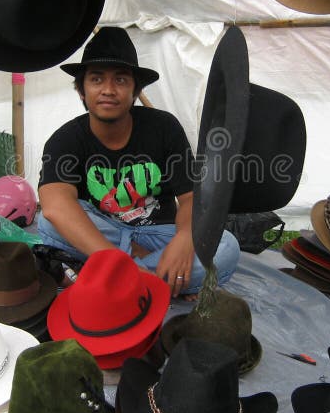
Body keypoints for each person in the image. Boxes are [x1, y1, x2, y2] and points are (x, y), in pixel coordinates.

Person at [37, 27, 240, 297]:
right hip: (104, 235)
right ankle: (148, 278)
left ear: (135, 90)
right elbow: (55, 205)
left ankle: (106, 280)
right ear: (81, 90)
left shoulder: (164, 127)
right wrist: (119, 261)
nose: (108, 90)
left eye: (120, 80)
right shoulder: (65, 140)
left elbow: (192, 198)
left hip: (157, 234)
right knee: (47, 223)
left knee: (226, 247)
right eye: (97, 79)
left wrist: (184, 239)